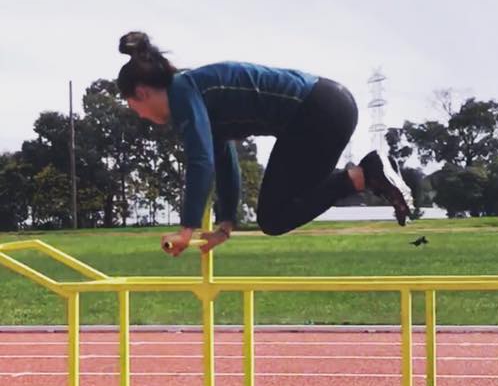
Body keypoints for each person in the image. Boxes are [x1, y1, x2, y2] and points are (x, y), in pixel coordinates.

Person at [117, 32, 413, 255]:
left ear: (141, 92)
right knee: (281, 211)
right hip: (329, 107)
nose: (140, 116)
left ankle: (363, 175)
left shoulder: (183, 90)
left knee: (274, 217)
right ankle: (365, 175)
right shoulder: (197, 92)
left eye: (132, 106)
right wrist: (226, 223)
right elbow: (222, 159)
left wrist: (186, 228)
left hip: (316, 112)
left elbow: (200, 161)